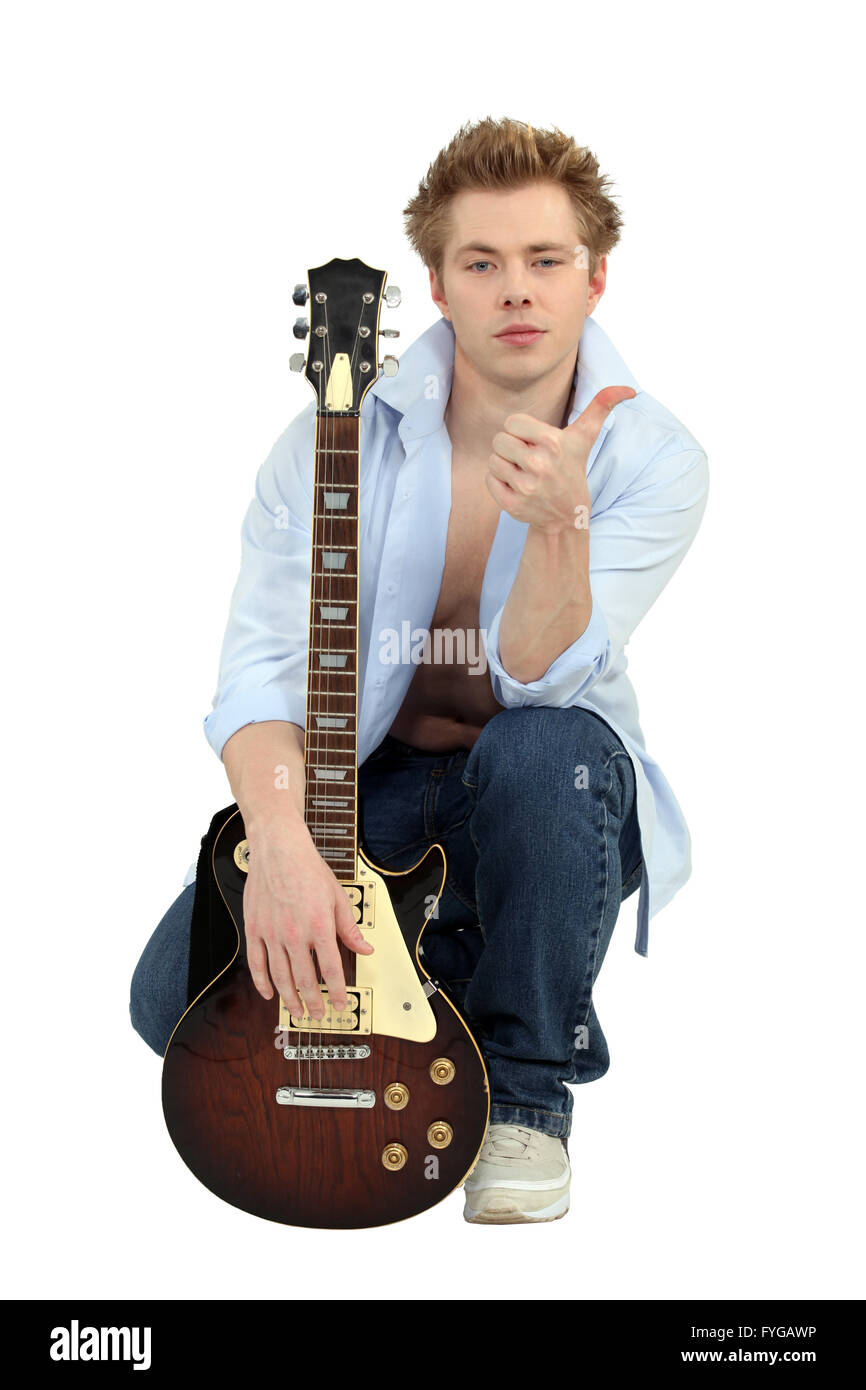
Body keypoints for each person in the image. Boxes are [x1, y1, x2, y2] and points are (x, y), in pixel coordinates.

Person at [130, 116, 709, 1225]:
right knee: (170, 1003)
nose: (515, 291)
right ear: (436, 288)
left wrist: (556, 528)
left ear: (596, 277)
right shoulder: (327, 440)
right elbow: (254, 676)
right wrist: (290, 855)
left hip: (544, 800)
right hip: (372, 780)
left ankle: (526, 1102)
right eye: (480, 263)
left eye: (544, 260)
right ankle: (435, 958)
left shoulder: (651, 457)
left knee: (542, 746)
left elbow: (538, 677)